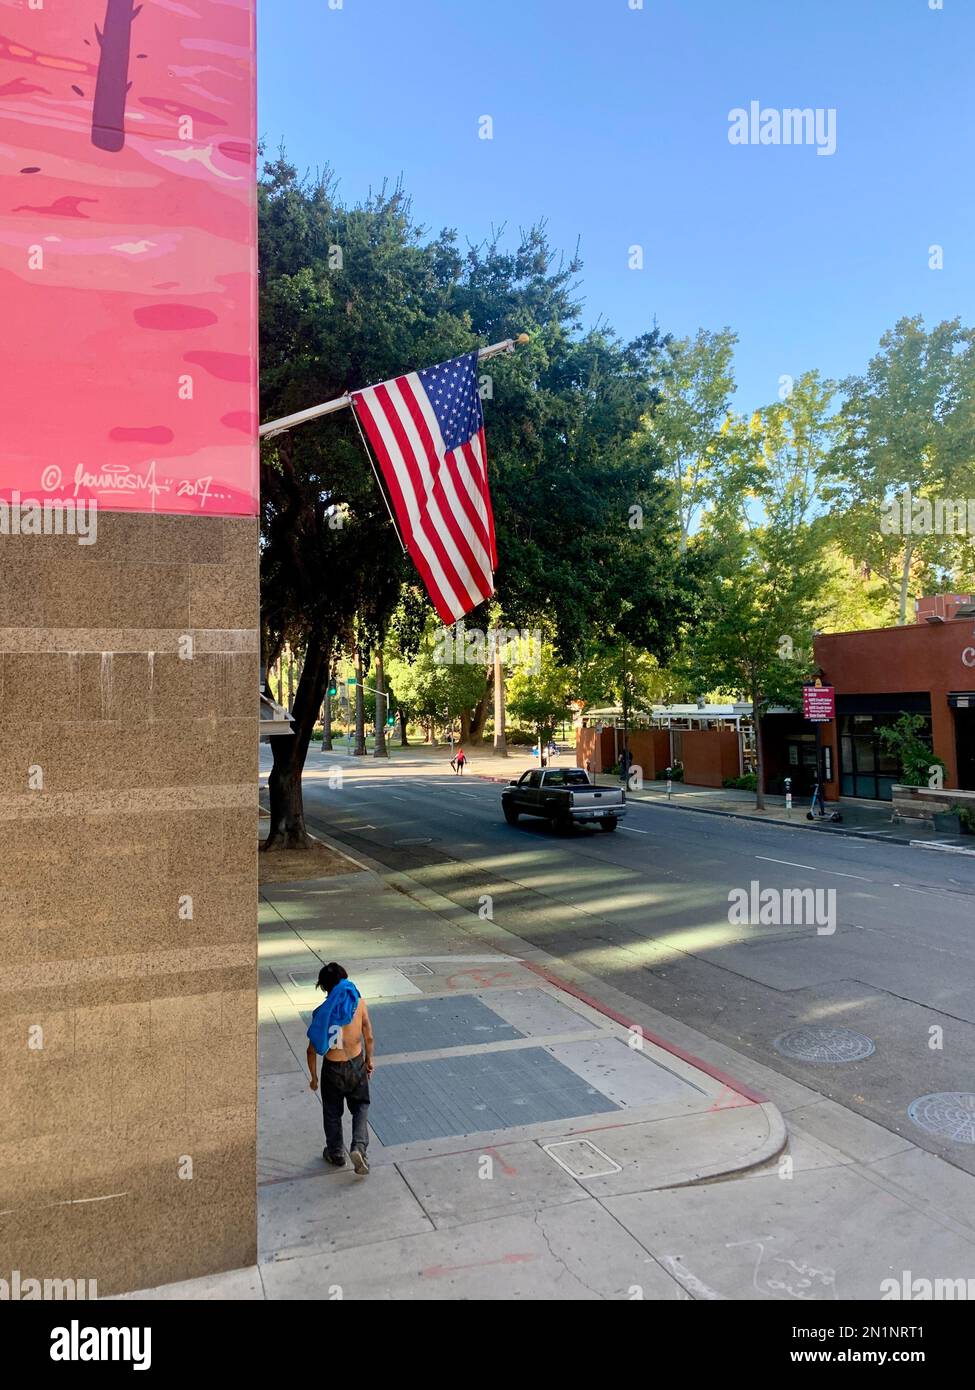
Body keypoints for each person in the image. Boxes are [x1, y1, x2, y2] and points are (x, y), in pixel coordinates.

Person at [306, 962, 374, 1175]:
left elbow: (311, 1050)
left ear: (324, 987)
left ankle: (336, 1153)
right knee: (361, 1105)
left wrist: (314, 1078)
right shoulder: (358, 1003)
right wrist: (369, 1061)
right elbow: (368, 1036)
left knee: (332, 1112)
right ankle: (359, 1147)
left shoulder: (322, 1013)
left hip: (332, 1069)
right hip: (355, 1063)